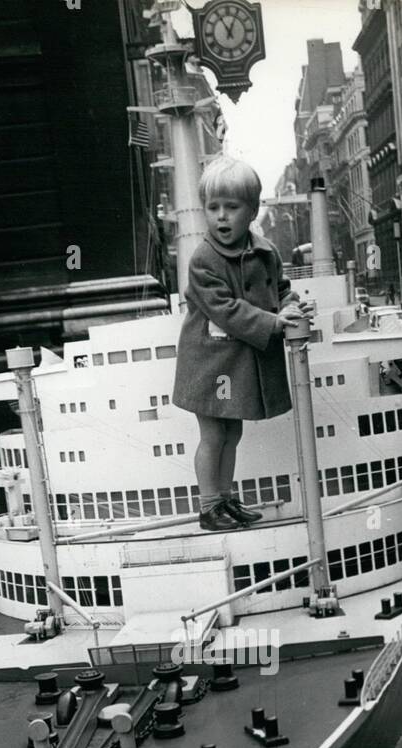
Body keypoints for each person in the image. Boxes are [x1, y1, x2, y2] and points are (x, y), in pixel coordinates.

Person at [172, 156, 304, 532]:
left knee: (233, 432)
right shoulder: (203, 259)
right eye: (213, 208)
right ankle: (209, 505)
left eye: (232, 208)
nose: (221, 217)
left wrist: (292, 306)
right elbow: (227, 310)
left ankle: (225, 499)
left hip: (233, 362)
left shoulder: (266, 252)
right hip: (209, 363)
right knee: (213, 434)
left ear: (252, 211)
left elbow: (280, 291)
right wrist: (275, 322)